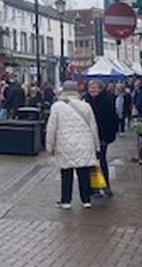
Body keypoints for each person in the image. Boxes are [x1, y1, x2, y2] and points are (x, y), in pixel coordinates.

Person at [46, 81, 100, 210]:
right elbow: (93, 127)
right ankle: (86, 200)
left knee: (66, 172)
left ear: (63, 91)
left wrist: (50, 146)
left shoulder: (57, 106)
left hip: (65, 143)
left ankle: (66, 201)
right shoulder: (86, 106)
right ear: (77, 91)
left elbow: (51, 128)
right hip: (84, 143)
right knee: (84, 172)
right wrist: (96, 145)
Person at [84, 79, 120, 197]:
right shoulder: (86, 100)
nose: (93, 90)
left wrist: (106, 137)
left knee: (101, 161)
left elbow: (112, 119)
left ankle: (104, 186)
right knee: (90, 162)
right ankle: (92, 187)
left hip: (102, 136)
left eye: (95, 88)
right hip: (89, 136)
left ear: (100, 89)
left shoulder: (106, 100)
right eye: (91, 87)